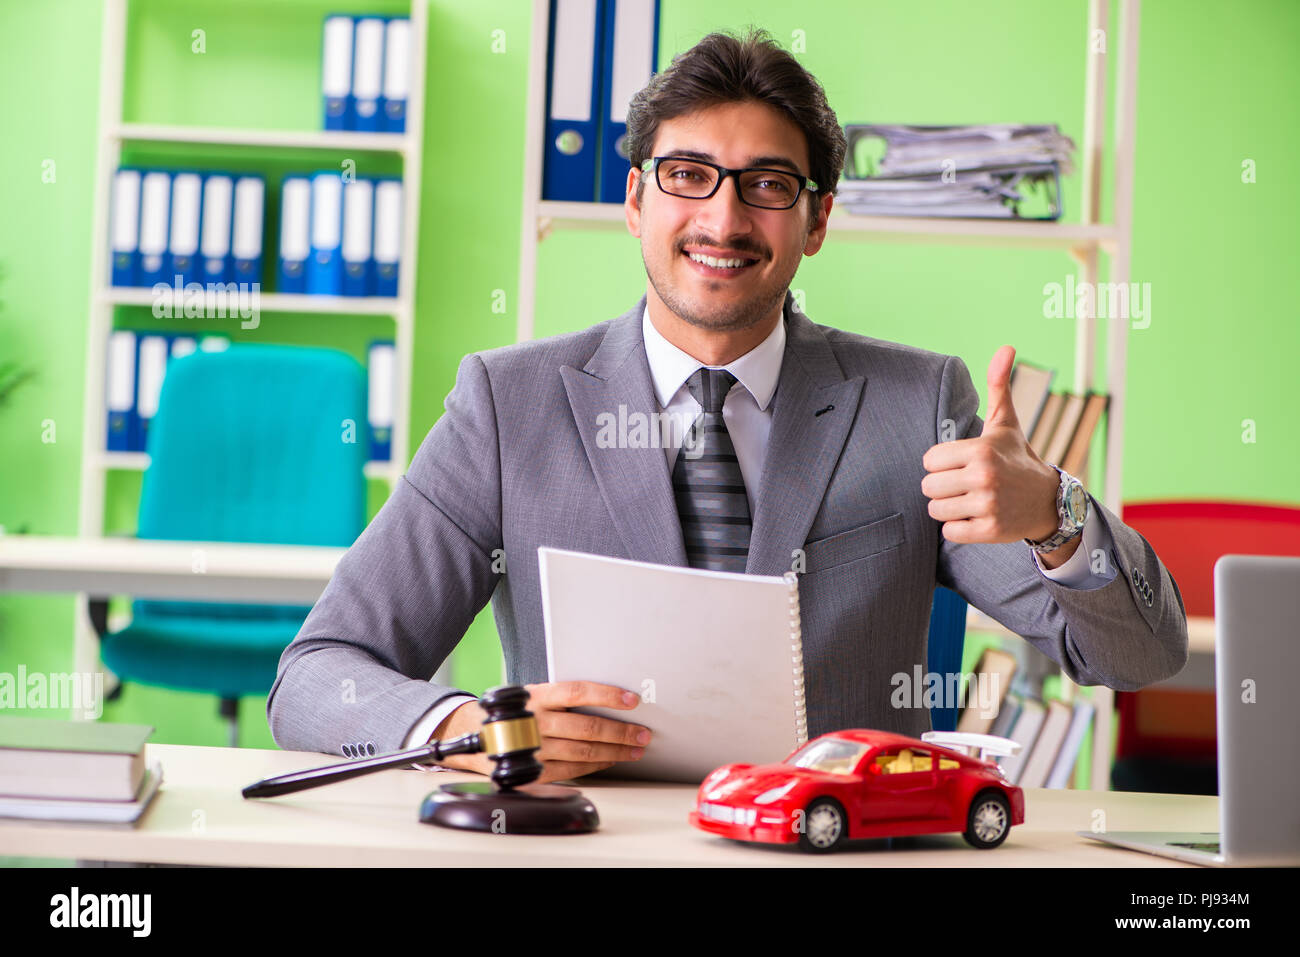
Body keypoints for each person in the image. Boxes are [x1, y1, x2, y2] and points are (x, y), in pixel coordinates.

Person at [268, 29, 1188, 783]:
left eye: (769, 185)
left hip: (829, 854)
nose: (724, 217)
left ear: (817, 221)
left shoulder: (916, 404)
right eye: (688, 175)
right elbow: (317, 676)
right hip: (588, 852)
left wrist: (1058, 514)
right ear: (636, 199)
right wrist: (473, 727)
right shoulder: (508, 406)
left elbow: (1140, 658)